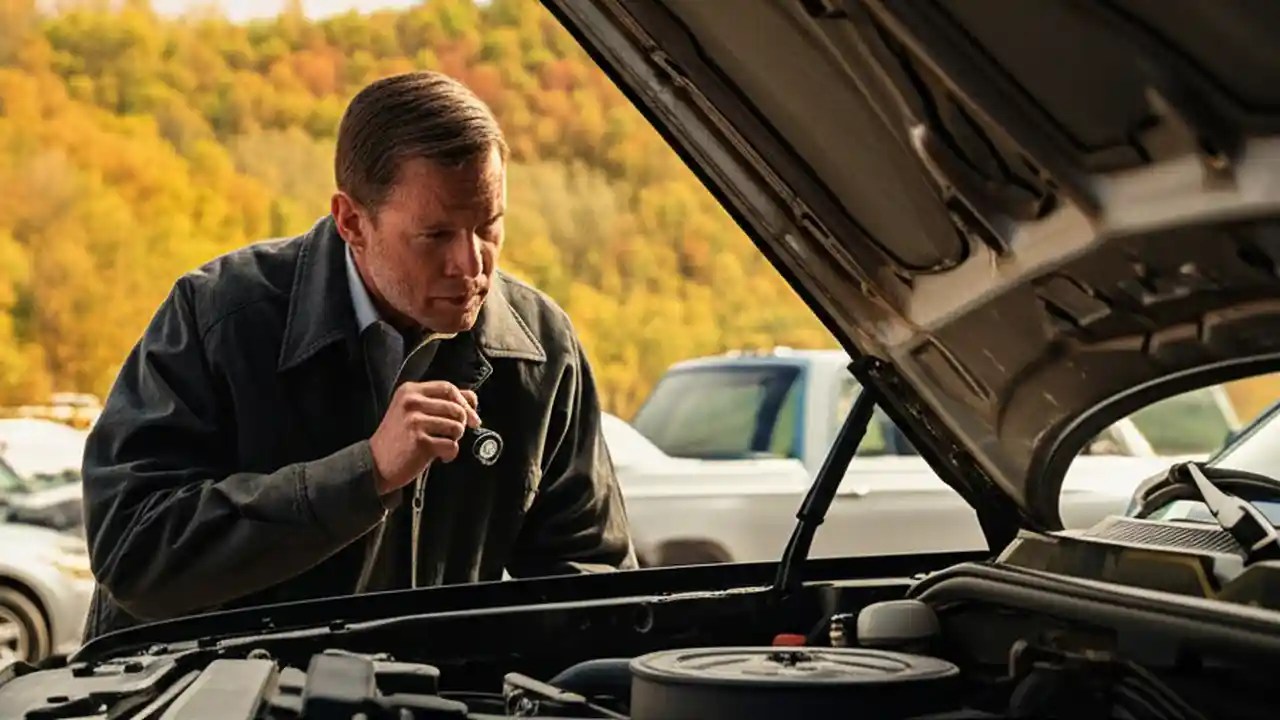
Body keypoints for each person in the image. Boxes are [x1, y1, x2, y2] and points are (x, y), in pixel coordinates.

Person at [79, 71, 637, 640]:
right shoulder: (216, 318)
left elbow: (590, 583)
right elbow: (133, 553)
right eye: (436, 235)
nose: (472, 267)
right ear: (351, 221)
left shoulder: (542, 349)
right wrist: (365, 475)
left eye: (488, 227)